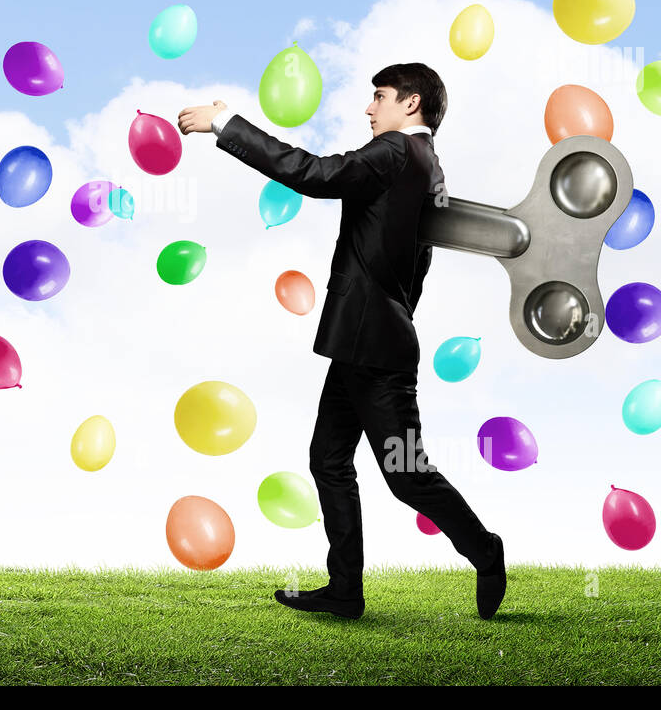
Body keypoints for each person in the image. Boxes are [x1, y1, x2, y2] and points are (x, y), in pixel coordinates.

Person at [177, 63, 506, 621]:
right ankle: (345, 590)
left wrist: (225, 123)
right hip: (366, 340)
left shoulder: (398, 152)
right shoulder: (426, 164)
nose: (369, 108)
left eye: (379, 96)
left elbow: (314, 174)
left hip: (374, 346)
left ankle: (484, 549)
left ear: (411, 104)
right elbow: (413, 261)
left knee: (405, 473)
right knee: (328, 459)